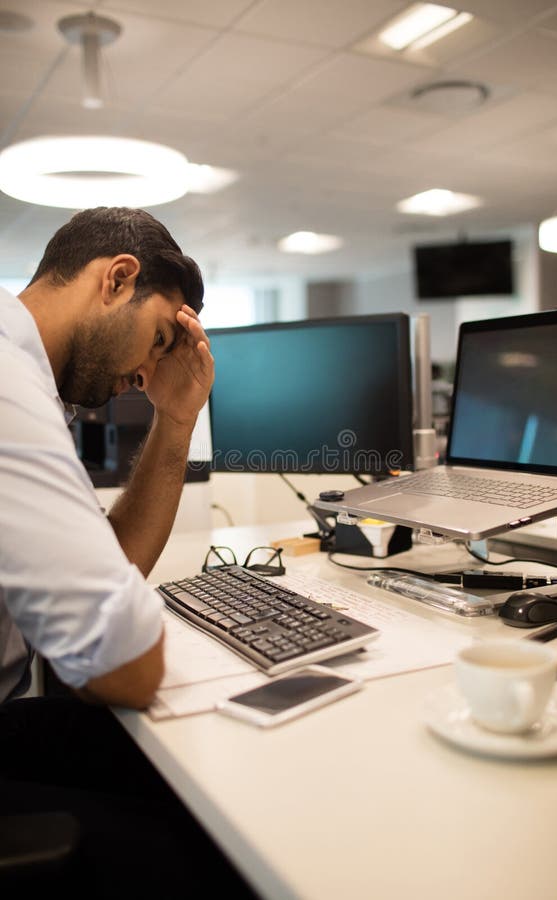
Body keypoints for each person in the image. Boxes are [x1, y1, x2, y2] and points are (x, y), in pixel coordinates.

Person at [0, 207, 257, 897]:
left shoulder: (32, 383)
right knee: (224, 845)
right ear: (117, 279)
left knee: (216, 770)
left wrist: (177, 417)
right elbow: (121, 669)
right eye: (159, 337)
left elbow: (119, 563)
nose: (150, 368)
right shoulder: (6, 382)